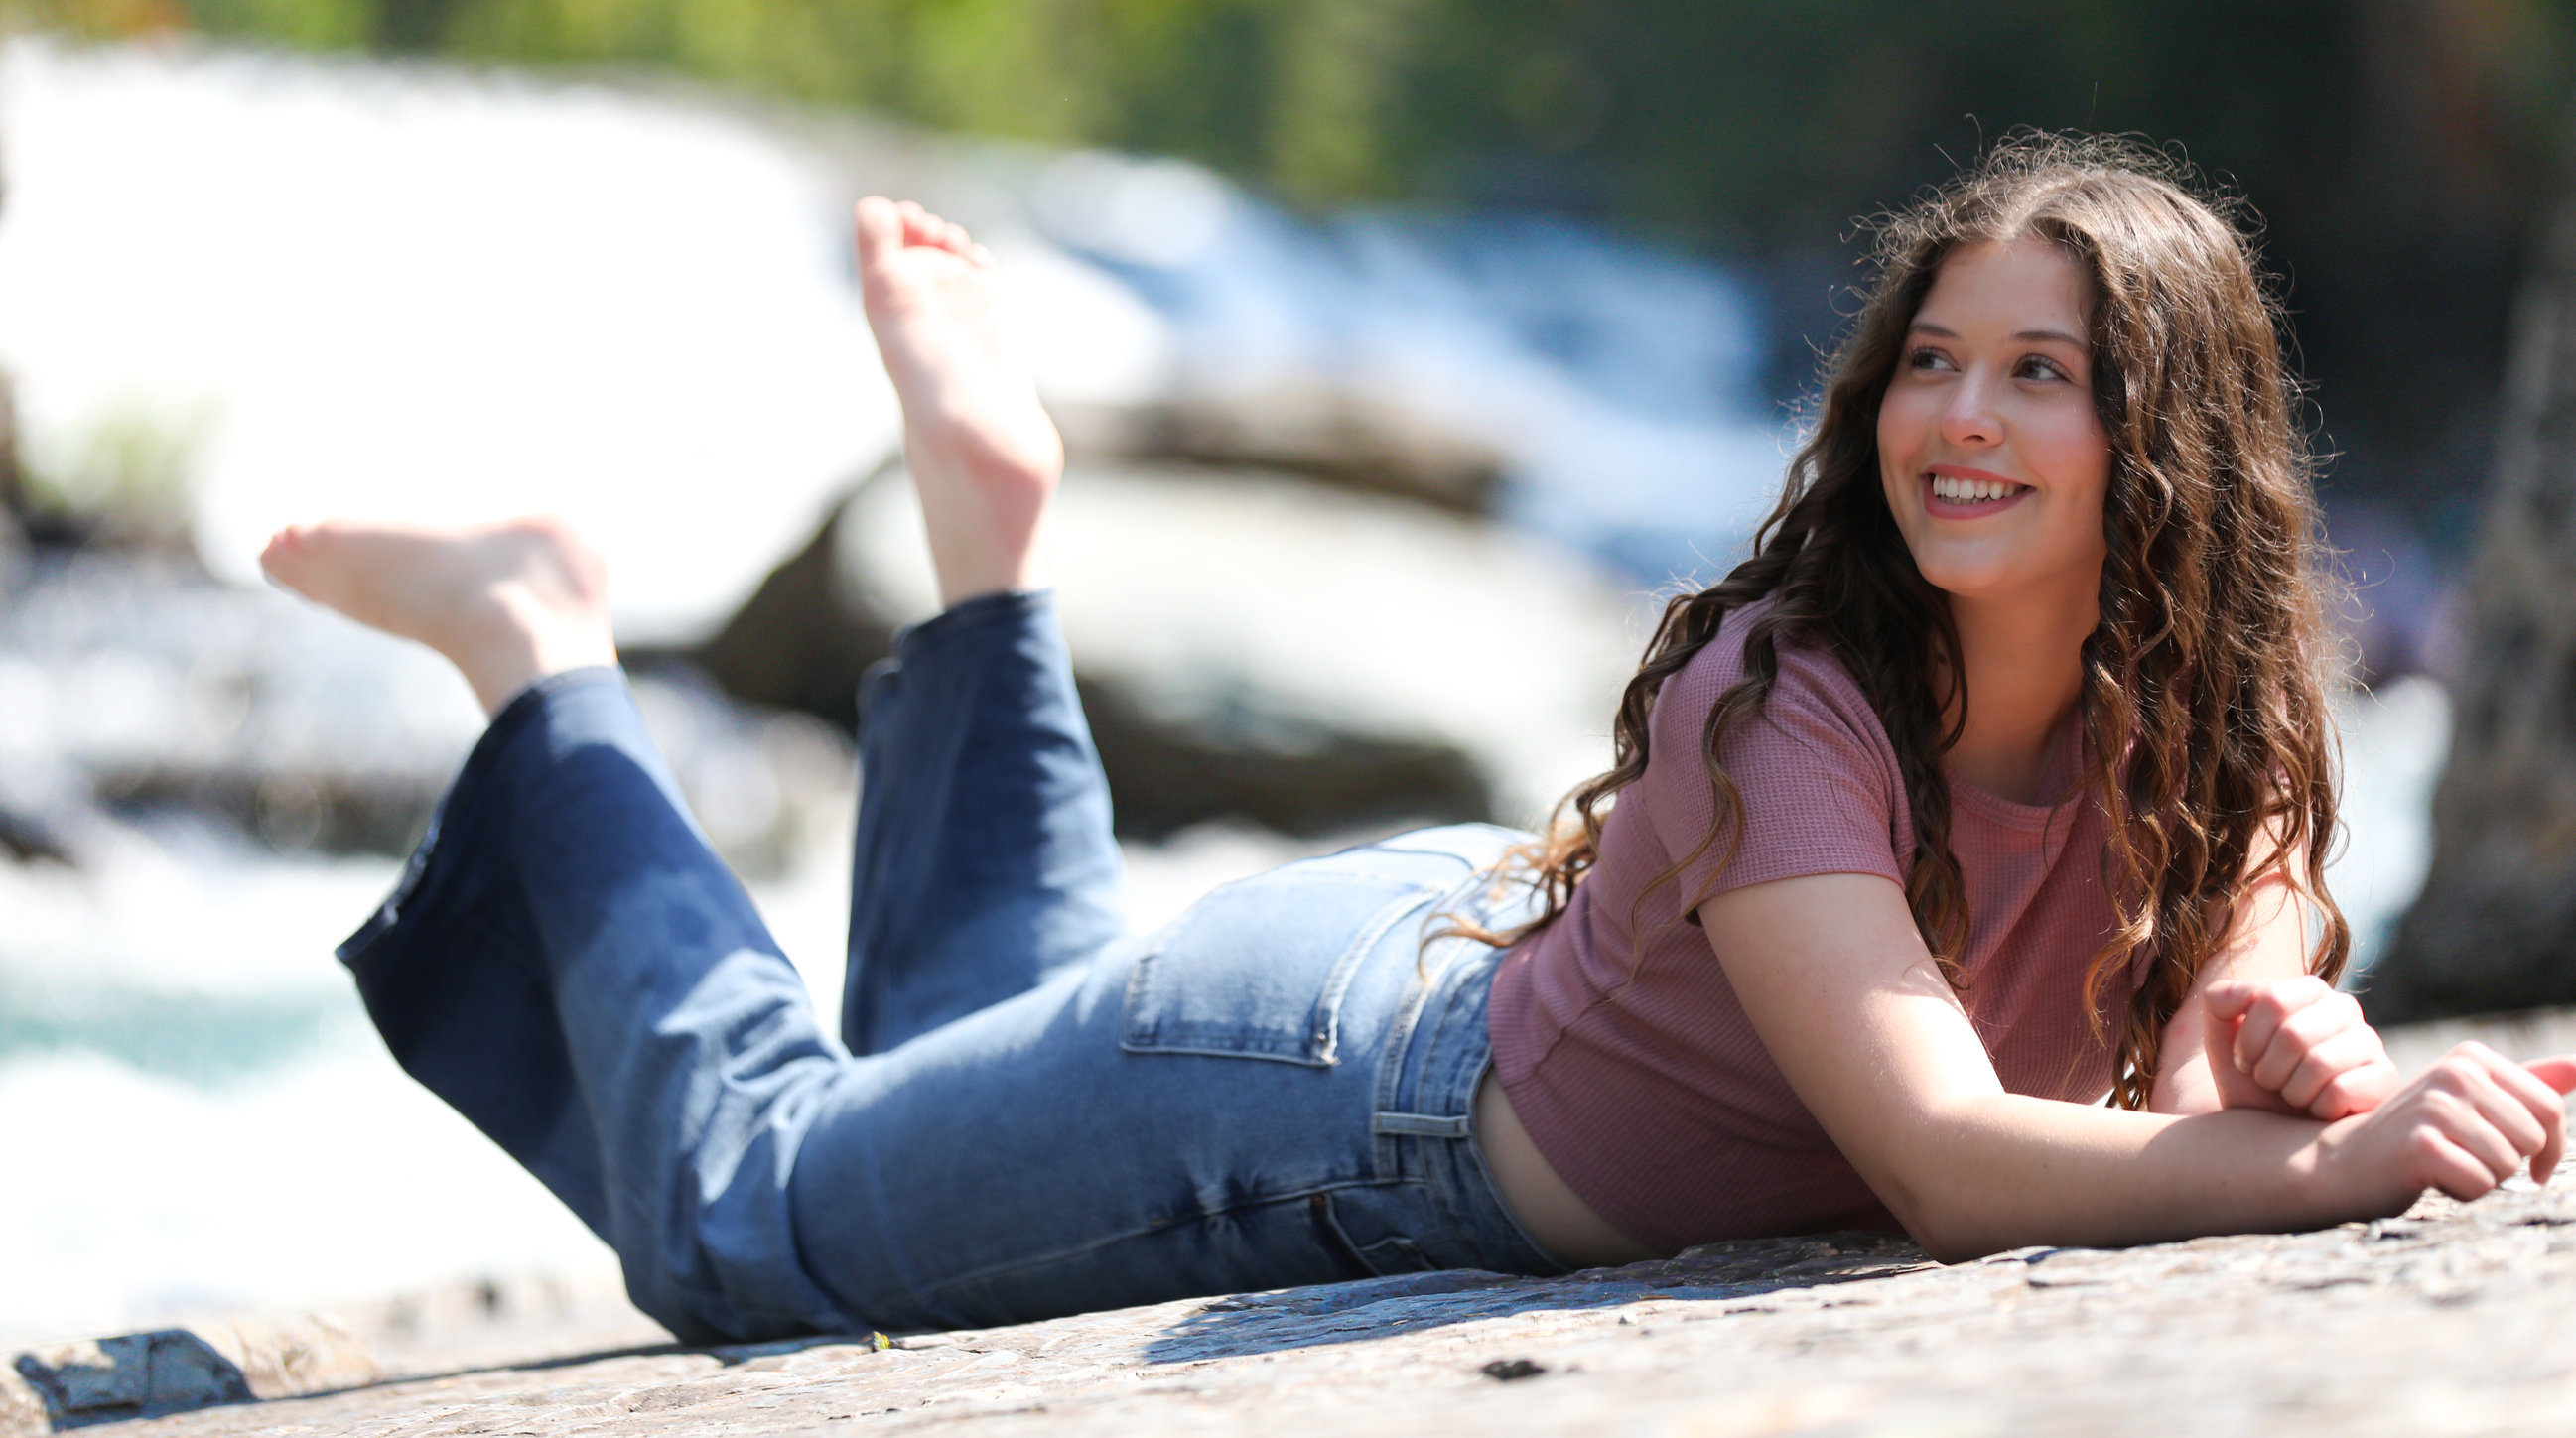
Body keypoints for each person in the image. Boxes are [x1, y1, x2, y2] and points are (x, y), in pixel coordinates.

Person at [260, 135, 2576, 1346]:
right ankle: (544, 654)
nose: (1951, 417)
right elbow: (1959, 1161)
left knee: (945, 1079)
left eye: (2036, 372)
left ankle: (989, 566)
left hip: (1459, 947)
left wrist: (2278, 1048)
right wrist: (2333, 1165)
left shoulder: (2232, 692)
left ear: (2158, 435)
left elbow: (2192, 1068)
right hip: (1314, 1096)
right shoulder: (1785, 691)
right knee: (767, 1217)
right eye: (1929, 358)